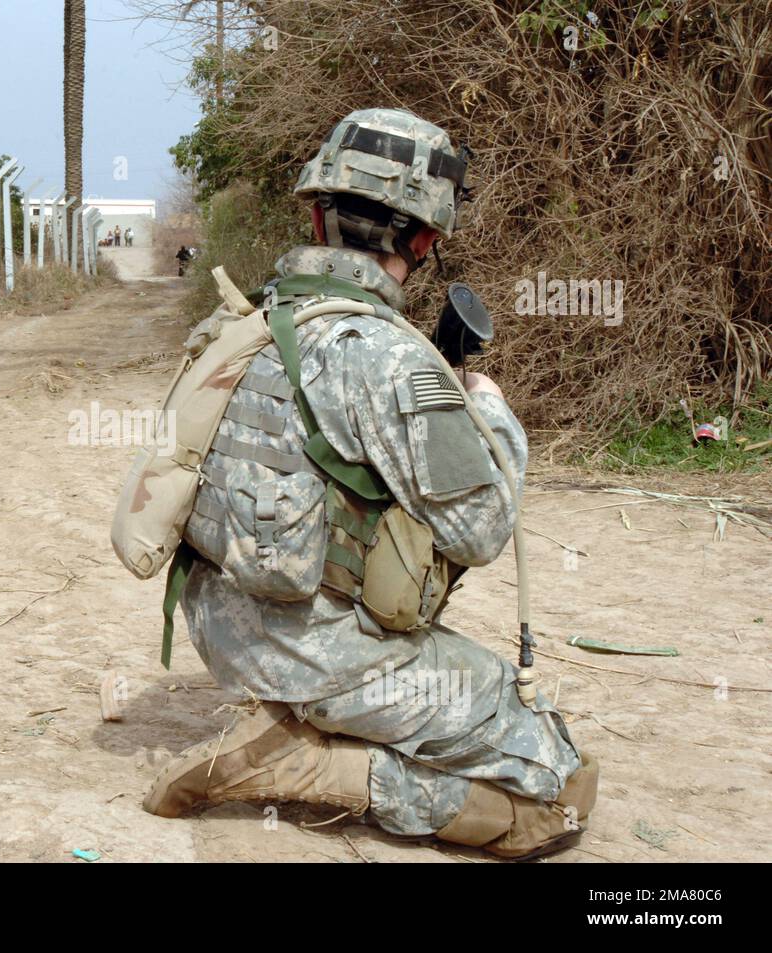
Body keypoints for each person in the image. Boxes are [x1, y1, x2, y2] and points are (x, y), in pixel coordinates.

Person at [142, 108, 597, 860]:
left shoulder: (243, 319)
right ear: (424, 240)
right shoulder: (389, 358)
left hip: (219, 623)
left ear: (317, 213)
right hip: (311, 649)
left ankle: (299, 721)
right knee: (555, 780)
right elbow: (482, 528)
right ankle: (312, 761)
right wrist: (484, 403)